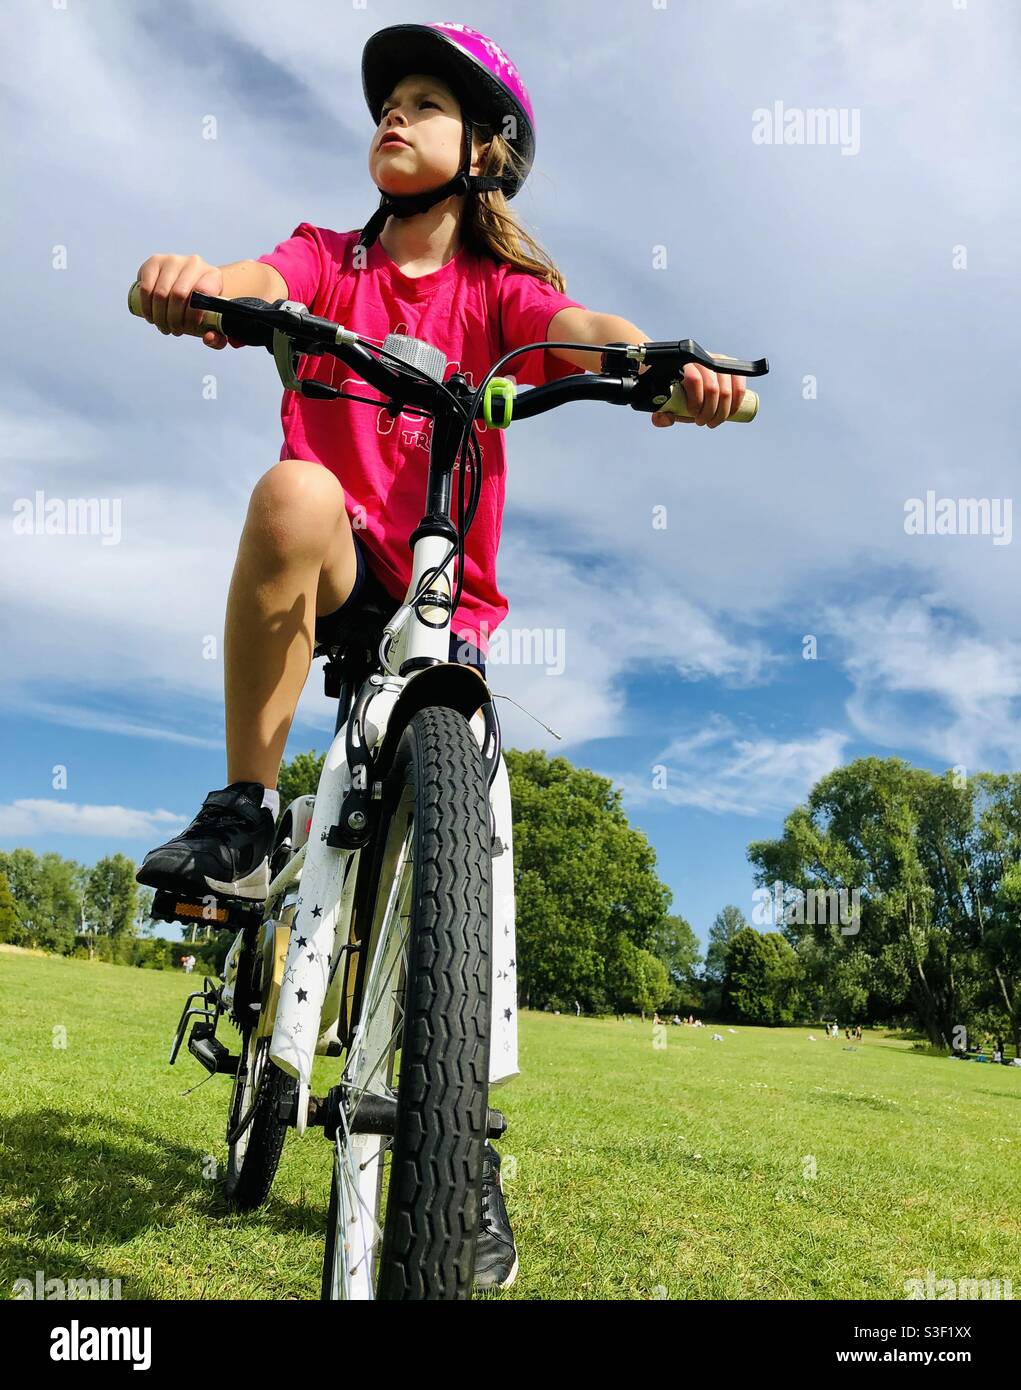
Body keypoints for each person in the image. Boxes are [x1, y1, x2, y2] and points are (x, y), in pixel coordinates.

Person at [131, 20, 747, 1293]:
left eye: (427, 104)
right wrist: (202, 285)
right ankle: (248, 810)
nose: (395, 118)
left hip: (441, 602)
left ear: (487, 153)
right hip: (344, 570)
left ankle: (467, 1151)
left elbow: (576, 326)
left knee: (487, 825)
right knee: (292, 491)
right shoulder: (331, 258)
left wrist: (661, 362)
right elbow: (263, 275)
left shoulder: (495, 293)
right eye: (390, 101)